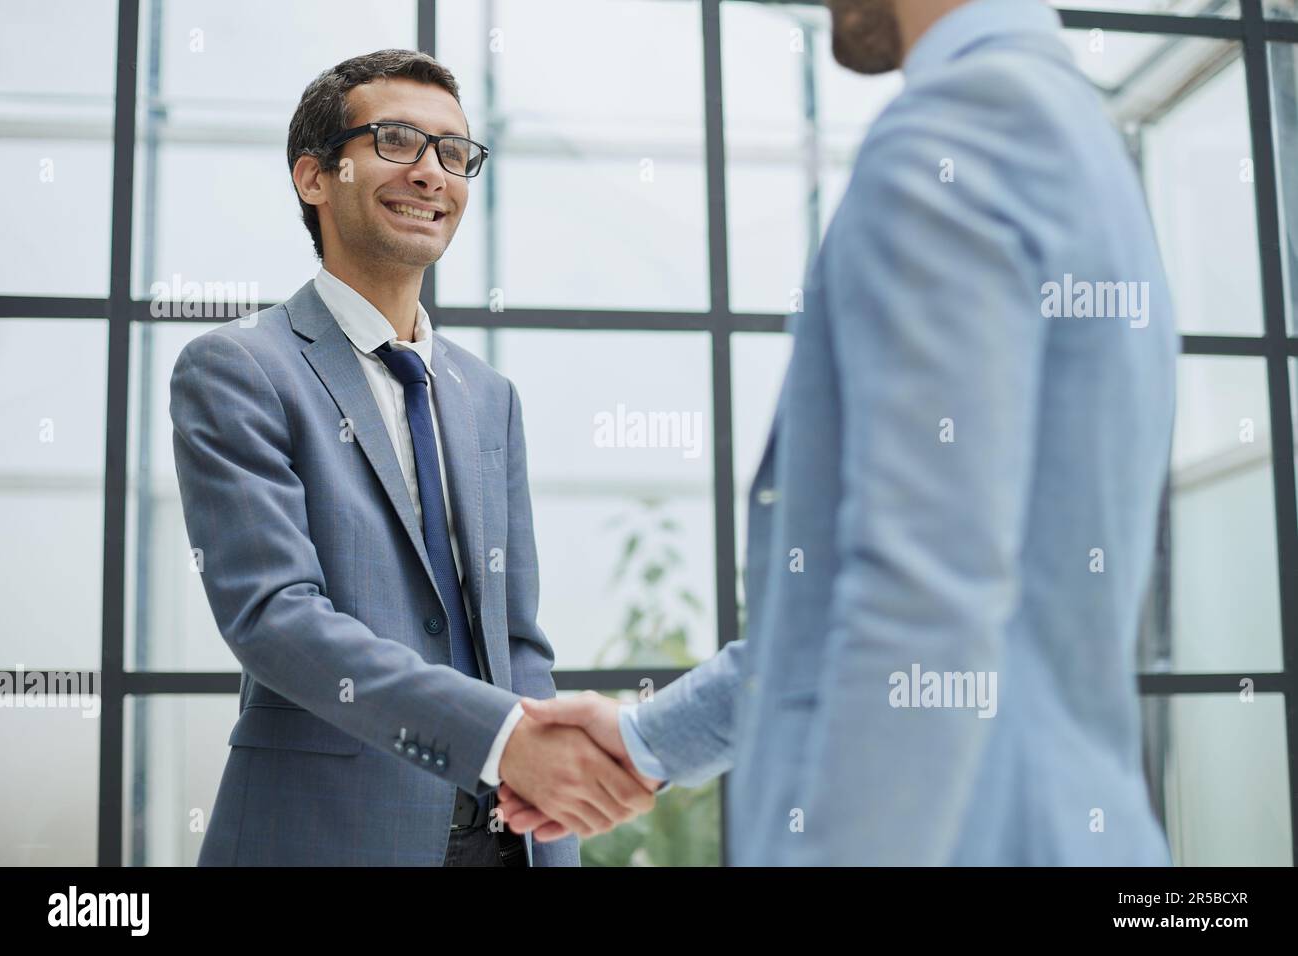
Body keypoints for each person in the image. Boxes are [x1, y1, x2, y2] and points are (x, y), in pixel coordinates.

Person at [500, 0, 1177, 866]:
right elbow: (891, 603)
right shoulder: (1078, 134)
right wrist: (646, 740)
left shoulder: (955, 134)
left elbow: (924, 599)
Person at [171, 49, 656, 867]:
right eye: (396, 141)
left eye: (454, 153)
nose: (433, 174)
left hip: (508, 843)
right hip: (326, 836)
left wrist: (557, 834)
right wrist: (501, 738)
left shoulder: (488, 395)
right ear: (316, 178)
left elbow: (515, 642)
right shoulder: (240, 367)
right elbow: (276, 618)